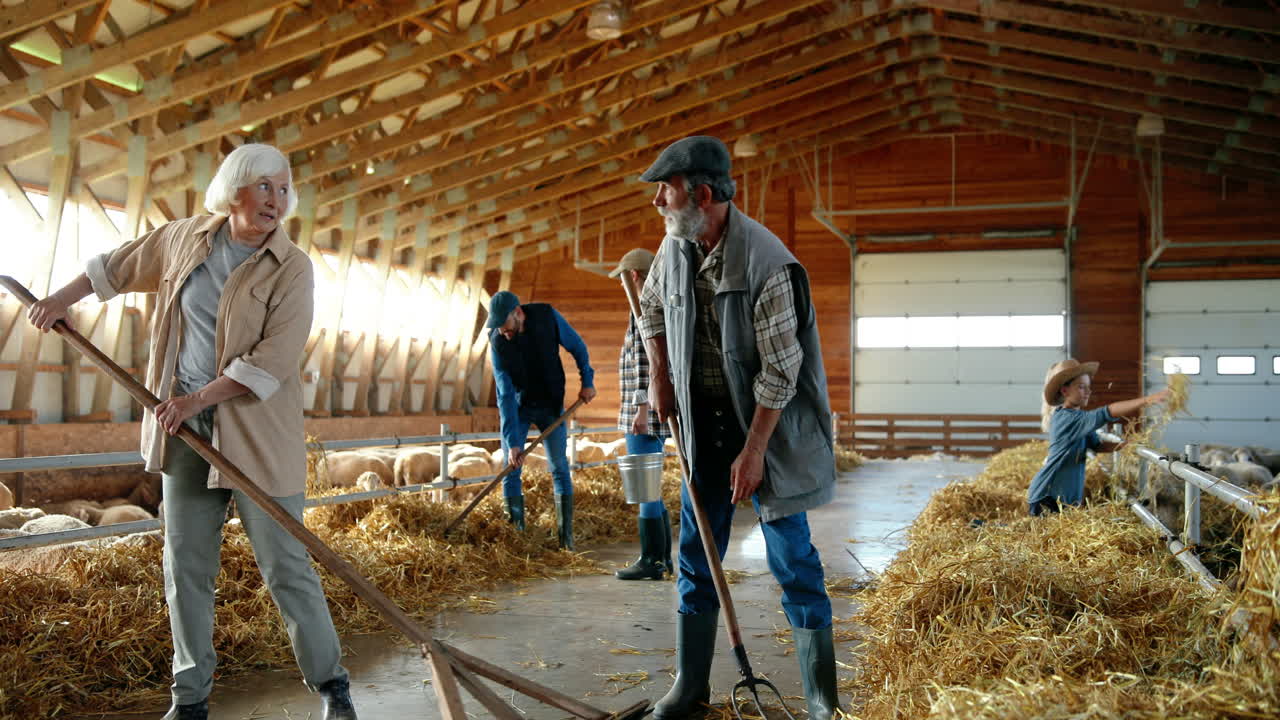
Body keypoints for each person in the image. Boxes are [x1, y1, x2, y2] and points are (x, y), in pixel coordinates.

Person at [26, 144, 356, 720]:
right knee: (185, 565)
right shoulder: (184, 239)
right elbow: (115, 266)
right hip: (186, 432)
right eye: (264, 188)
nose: (276, 201)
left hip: (257, 435)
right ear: (235, 190)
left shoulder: (292, 267)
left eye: (284, 190)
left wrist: (197, 398)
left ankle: (332, 686)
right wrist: (59, 300)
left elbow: (274, 358)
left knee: (285, 565)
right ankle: (190, 698)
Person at [636, 136, 841, 720]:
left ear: (701, 194)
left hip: (766, 431)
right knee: (696, 555)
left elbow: (781, 370)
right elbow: (649, 309)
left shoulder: (768, 264)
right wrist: (659, 374)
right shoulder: (674, 248)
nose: (657, 202)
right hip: (704, 428)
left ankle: (823, 699)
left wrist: (753, 451)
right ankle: (690, 685)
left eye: (665, 189)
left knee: (792, 559)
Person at [487, 290, 597, 549]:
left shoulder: (547, 316)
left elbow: (578, 346)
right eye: (498, 328)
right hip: (520, 407)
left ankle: (565, 541)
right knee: (510, 466)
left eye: (506, 326)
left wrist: (587, 381)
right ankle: (516, 541)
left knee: (559, 466)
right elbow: (504, 394)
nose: (503, 332)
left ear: (518, 313)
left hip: (551, 405)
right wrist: (513, 442)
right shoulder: (497, 342)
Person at [1028, 358, 1170, 516]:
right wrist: (1146, 400)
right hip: (1048, 495)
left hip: (1065, 498)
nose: (1088, 392)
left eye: (1089, 387)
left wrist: (1124, 446)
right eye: (1081, 387)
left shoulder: (1079, 419)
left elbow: (1096, 446)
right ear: (1065, 391)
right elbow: (1106, 413)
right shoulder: (1065, 418)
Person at [608, 247, 672, 581]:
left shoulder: (643, 308)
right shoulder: (657, 305)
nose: (622, 285)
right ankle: (663, 557)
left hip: (642, 413)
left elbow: (646, 364)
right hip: (648, 409)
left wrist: (641, 409)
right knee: (652, 487)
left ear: (633, 276)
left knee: (644, 487)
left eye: (622, 279)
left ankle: (651, 560)